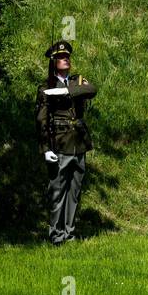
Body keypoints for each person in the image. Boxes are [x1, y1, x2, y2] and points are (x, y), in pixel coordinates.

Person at [36, 40, 97, 245]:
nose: (66, 59)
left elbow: (92, 89)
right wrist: (45, 148)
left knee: (74, 193)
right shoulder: (46, 87)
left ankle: (69, 234)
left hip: (78, 144)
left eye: (67, 56)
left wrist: (67, 91)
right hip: (59, 144)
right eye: (61, 57)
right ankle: (56, 235)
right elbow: (41, 119)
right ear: (53, 62)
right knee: (57, 193)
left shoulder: (77, 81)